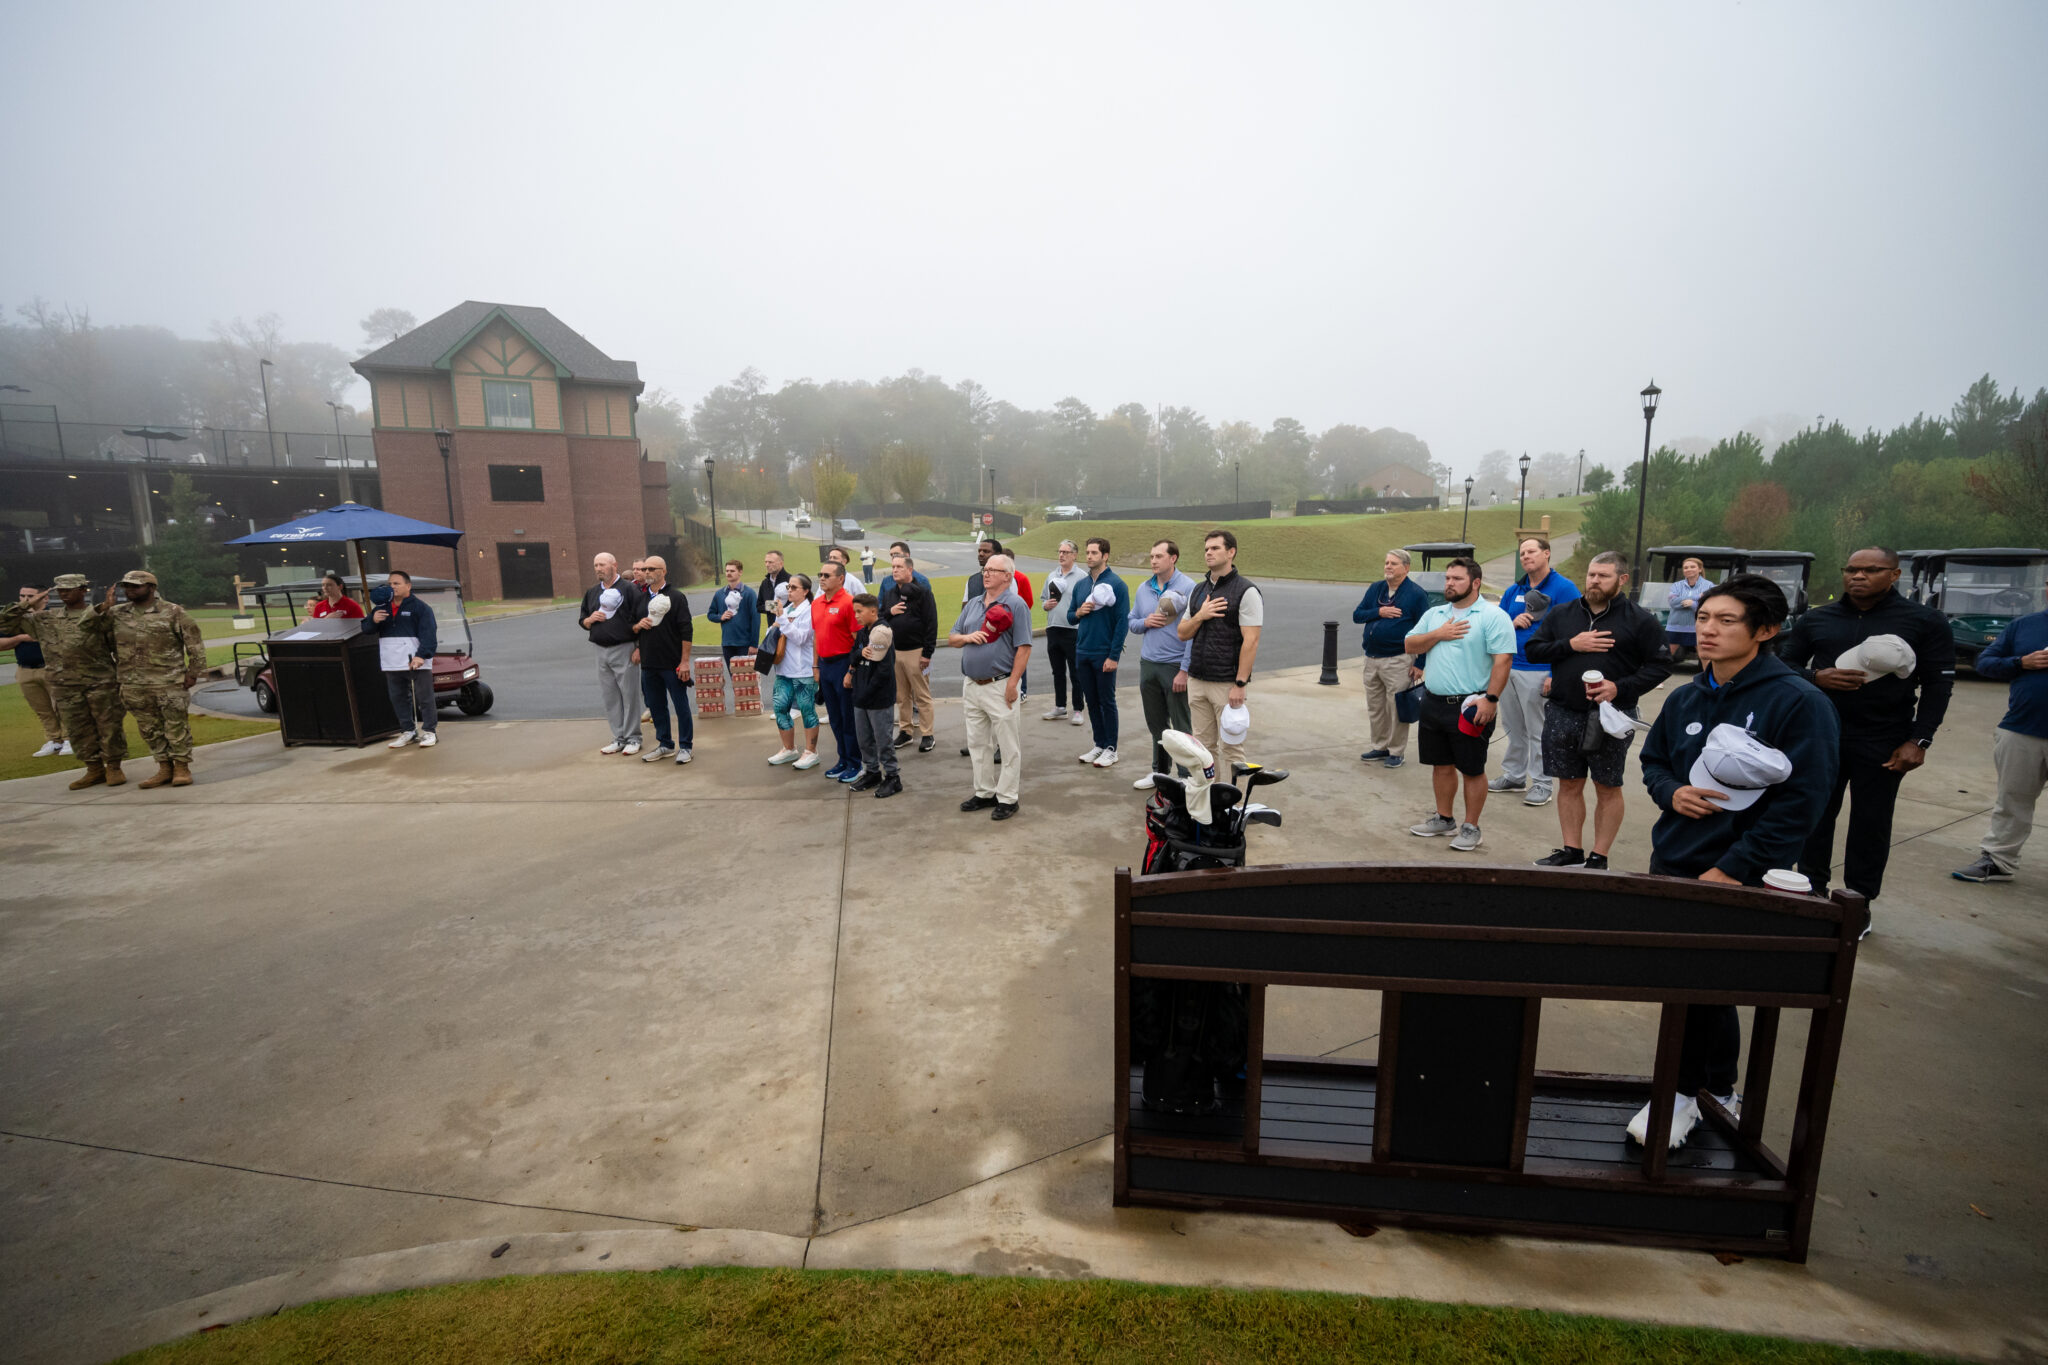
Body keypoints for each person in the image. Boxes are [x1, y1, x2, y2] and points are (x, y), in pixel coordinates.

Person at [1635, 574, 1838, 1148]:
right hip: (1674, 861)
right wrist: (1670, 791)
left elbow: (1805, 801)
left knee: (1703, 983)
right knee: (1696, 985)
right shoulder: (1686, 694)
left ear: (1766, 631)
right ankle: (1716, 1088)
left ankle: (1679, 1094)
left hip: (1735, 874)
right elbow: (1653, 761)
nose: (1708, 630)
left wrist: (1735, 868)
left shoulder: (1799, 701)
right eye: (1703, 619)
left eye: (1726, 621)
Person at [1778, 547, 1954, 914]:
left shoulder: (1923, 621)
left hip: (1884, 738)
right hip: (1820, 733)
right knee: (1814, 816)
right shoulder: (1818, 619)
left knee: (1870, 824)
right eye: (1851, 569)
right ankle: (1810, 893)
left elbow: (1938, 686)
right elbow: (1783, 665)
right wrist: (1816, 676)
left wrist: (1919, 740)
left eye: (1871, 570)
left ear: (1894, 574)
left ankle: (1858, 903)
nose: (1858, 576)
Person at [1524, 552, 1671, 869]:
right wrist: (1571, 645)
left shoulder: (1640, 619)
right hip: (1564, 712)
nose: (1594, 581)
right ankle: (1571, 850)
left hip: (1612, 716)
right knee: (1569, 783)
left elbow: (1661, 665)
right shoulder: (1562, 614)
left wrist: (1620, 687)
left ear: (1621, 579)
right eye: (1591, 574)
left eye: (1603, 576)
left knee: (1607, 785)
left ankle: (1599, 856)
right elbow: (1533, 650)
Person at [1403, 557, 1514, 852]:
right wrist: (1438, 634)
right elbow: (1410, 644)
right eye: (1448, 578)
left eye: (1457, 579)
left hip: (1471, 706)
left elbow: (1503, 660)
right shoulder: (1436, 613)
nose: (1449, 584)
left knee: (1472, 768)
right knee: (1440, 764)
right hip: (1433, 702)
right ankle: (1444, 818)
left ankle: (1471, 827)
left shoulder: (1492, 616)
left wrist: (1491, 700)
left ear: (1475, 583)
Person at [1953, 604, 2048, 884]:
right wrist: (2021, 662)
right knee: (2012, 799)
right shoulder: (2025, 625)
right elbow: (1985, 662)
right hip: (2021, 729)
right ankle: (1998, 861)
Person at [0, 574, 123, 786]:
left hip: (100, 681)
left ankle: (113, 767)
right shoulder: (45, 619)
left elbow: (117, 646)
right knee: (77, 729)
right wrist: (27, 603)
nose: (64, 593)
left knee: (108, 726)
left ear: (83, 590)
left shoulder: (101, 614)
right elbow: (4, 621)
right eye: (60, 590)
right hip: (64, 684)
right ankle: (93, 769)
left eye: (70, 589)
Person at [1494, 537, 1581, 808]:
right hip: (1509, 667)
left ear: (1547, 554)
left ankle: (1542, 783)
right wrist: (1511, 620)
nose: (1526, 556)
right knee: (1513, 726)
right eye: (1522, 553)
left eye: (1531, 551)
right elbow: (1497, 623)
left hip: (1540, 670)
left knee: (1539, 730)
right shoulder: (1515, 589)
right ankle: (1515, 775)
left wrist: (1556, 673)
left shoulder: (1564, 588)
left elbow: (1575, 632)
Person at [100, 569, 206, 787]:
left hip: (168, 681)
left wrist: (193, 673)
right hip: (133, 683)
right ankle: (164, 768)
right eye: (126, 587)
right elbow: (90, 631)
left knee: (176, 727)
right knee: (149, 729)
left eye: (135, 586)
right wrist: (103, 608)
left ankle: (182, 767)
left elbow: (194, 644)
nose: (129, 590)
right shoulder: (116, 613)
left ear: (152, 588)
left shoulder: (173, 612)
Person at [949, 553, 1032, 820]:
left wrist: (1013, 684)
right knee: (977, 743)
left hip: (999, 685)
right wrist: (967, 636)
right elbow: (952, 638)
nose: (986, 574)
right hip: (971, 685)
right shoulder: (973, 603)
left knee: (1008, 746)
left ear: (1007, 576)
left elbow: (1024, 648)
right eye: (985, 569)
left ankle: (1008, 798)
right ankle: (984, 792)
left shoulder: (1016, 605)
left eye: (993, 570)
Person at [1176, 529, 1264, 773]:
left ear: (1231, 552)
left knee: (1232, 749)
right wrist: (1201, 616)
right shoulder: (1198, 590)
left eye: (1215, 548)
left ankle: (1235, 807)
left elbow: (1252, 641)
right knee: (1203, 749)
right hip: (1197, 679)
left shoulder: (1247, 591)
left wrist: (1240, 683)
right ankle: (1209, 805)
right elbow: (1183, 632)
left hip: (1226, 684)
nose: (1209, 553)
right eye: (1206, 549)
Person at [1127, 539, 1195, 790]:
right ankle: (1160, 773)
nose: (1153, 561)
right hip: (1149, 664)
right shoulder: (1145, 588)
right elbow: (1131, 622)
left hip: (1174, 665)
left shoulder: (1189, 588)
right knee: (1156, 724)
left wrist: (1184, 670)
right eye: (1152, 556)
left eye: (1158, 556)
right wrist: (1146, 621)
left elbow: (1194, 633)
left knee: (1181, 725)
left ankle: (1187, 775)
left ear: (1173, 558)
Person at [1353, 549, 1429, 768]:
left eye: (1393, 563)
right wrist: (1380, 612)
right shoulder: (1376, 589)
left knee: (1395, 707)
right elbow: (1357, 615)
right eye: (1386, 562)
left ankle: (1396, 751)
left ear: (1406, 568)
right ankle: (1380, 746)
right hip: (1371, 658)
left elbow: (1424, 630)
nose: (1388, 566)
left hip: (1398, 659)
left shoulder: (1416, 594)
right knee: (1375, 706)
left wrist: (1420, 663)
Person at [1068, 537, 1130, 768]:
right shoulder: (1081, 585)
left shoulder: (1117, 584)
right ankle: (1099, 744)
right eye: (1087, 552)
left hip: (1104, 653)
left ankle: (1111, 749)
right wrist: (1080, 612)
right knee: (1091, 701)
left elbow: (1122, 623)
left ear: (1105, 556)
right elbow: (1069, 617)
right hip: (1082, 651)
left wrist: (1113, 656)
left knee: (1106, 701)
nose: (1089, 556)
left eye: (1094, 552)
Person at [579, 552, 646, 755]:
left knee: (629, 694)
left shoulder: (630, 590)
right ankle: (618, 737)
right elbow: (582, 620)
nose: (598, 568)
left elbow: (643, 618)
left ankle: (633, 737)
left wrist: (639, 648)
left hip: (624, 648)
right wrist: (589, 620)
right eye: (595, 565)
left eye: (602, 565)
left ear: (614, 565)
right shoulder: (592, 593)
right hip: (600, 650)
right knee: (610, 697)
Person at [367, 570, 439, 753]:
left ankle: (430, 731)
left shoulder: (421, 608)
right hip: (391, 660)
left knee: (425, 697)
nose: (392, 587)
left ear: (408, 586)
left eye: (397, 583)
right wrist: (373, 621)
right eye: (390, 583)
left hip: (416, 660)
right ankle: (408, 730)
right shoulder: (381, 607)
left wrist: (421, 655)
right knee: (398, 697)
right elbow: (366, 628)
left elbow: (429, 634)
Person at [633, 556, 695, 764]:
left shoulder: (676, 597)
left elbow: (686, 630)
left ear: (663, 571)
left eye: (652, 568)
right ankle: (665, 744)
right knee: (657, 706)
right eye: (644, 568)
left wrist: (684, 661)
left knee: (680, 705)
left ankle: (685, 746)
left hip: (672, 662)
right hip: (649, 663)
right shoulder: (641, 599)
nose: (647, 572)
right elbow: (631, 628)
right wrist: (638, 626)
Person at [878, 553, 938, 753]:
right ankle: (905, 731)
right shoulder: (890, 593)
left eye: (899, 567)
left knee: (922, 694)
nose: (895, 570)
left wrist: (927, 653)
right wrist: (890, 612)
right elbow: (880, 618)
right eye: (893, 567)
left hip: (917, 651)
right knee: (901, 695)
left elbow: (931, 624)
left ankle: (927, 734)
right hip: (895, 651)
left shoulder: (923, 593)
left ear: (910, 570)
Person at [846, 594, 903, 797]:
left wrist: (866, 692)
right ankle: (872, 772)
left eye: (859, 611)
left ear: (873, 611)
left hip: (878, 699)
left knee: (883, 740)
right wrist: (860, 654)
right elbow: (852, 655)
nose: (856, 616)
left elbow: (883, 671)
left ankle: (893, 777)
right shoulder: (863, 634)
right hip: (861, 696)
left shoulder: (882, 632)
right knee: (864, 739)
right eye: (855, 612)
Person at [3, 584, 68, 756]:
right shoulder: (16, 620)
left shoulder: (53, 615)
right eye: (21, 596)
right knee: (42, 709)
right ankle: (54, 740)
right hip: (25, 669)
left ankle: (69, 739)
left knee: (63, 706)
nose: (24, 600)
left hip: (51, 667)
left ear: (44, 597)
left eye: (30, 596)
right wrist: (20, 637)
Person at [766, 574, 822, 769]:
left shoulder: (810, 610)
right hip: (783, 670)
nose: (789, 590)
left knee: (807, 710)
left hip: (803, 670)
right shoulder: (786, 608)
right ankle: (789, 749)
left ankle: (811, 751)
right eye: (788, 587)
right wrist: (777, 622)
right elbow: (771, 633)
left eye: (794, 587)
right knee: (780, 708)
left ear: (805, 591)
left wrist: (781, 619)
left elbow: (800, 638)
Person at [812, 561, 861, 781]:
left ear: (840, 579)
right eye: (820, 574)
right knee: (834, 717)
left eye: (827, 575)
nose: (822, 578)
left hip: (843, 664)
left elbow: (857, 640)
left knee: (847, 716)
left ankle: (855, 762)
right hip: (825, 665)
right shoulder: (817, 603)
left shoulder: (849, 603)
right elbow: (816, 637)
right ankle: (842, 759)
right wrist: (815, 666)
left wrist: (851, 670)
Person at [1040, 540, 1088, 727]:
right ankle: (1060, 706)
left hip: (1074, 630)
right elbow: (1044, 598)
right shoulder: (1052, 575)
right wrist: (1046, 605)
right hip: (1053, 628)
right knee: (1057, 671)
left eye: (1066, 552)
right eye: (1060, 551)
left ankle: (1078, 709)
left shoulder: (1082, 577)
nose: (1061, 555)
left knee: (1076, 672)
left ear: (1075, 555)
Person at [707, 559, 760, 671]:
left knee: (746, 680)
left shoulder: (749, 593)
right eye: (727, 571)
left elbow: (755, 619)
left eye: (732, 570)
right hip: (727, 643)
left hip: (744, 644)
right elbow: (710, 614)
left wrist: (754, 644)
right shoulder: (720, 594)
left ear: (740, 572)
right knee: (734, 679)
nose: (729, 573)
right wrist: (720, 617)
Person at [1665, 557, 1713, 662]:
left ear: (1700, 569)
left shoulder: (1709, 585)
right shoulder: (1676, 585)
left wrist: (1692, 605)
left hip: (1697, 628)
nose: (1688, 569)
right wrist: (1697, 597)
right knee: (1665, 657)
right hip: (1675, 626)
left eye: (1692, 567)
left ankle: (1709, 678)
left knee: (1705, 658)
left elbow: (1708, 606)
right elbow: (1673, 602)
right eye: (1685, 568)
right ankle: (1658, 678)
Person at [756, 550, 791, 635]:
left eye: (771, 562)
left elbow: (796, 604)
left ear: (781, 564)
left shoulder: (791, 581)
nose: (767, 565)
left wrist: (778, 608)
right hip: (772, 631)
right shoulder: (765, 583)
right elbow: (758, 606)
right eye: (766, 562)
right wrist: (773, 606)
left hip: (789, 631)